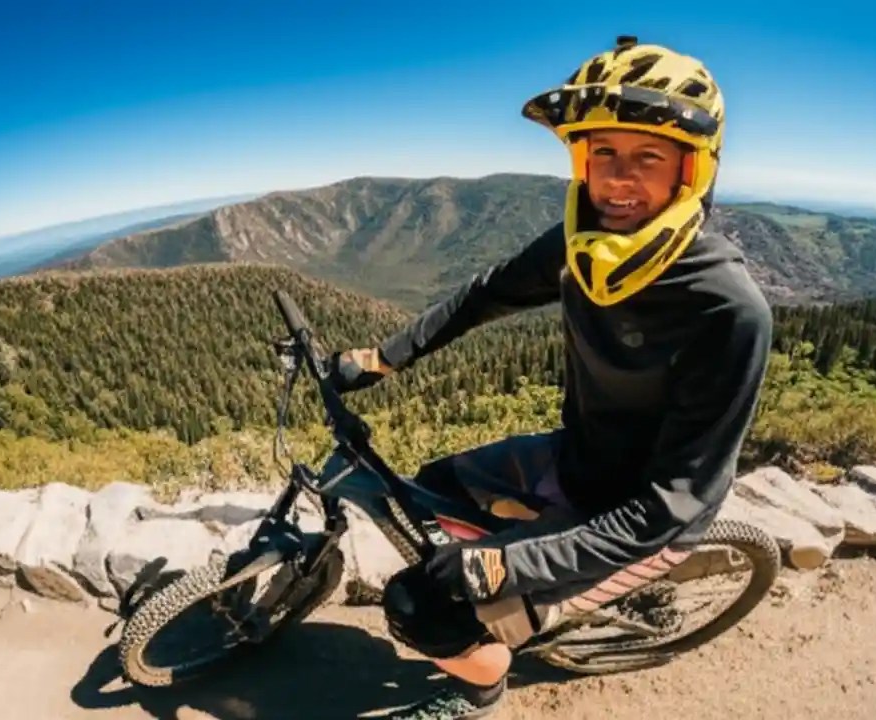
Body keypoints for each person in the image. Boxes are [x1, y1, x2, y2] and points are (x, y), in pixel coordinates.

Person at [329, 35, 773, 720]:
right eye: (604, 155)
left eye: (647, 157)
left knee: (415, 607)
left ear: (691, 171)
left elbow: (673, 505)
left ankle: (481, 689)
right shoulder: (579, 242)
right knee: (438, 484)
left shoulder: (727, 309)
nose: (618, 179)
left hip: (645, 521)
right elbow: (488, 293)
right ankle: (515, 579)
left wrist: (505, 568)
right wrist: (385, 356)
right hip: (580, 458)